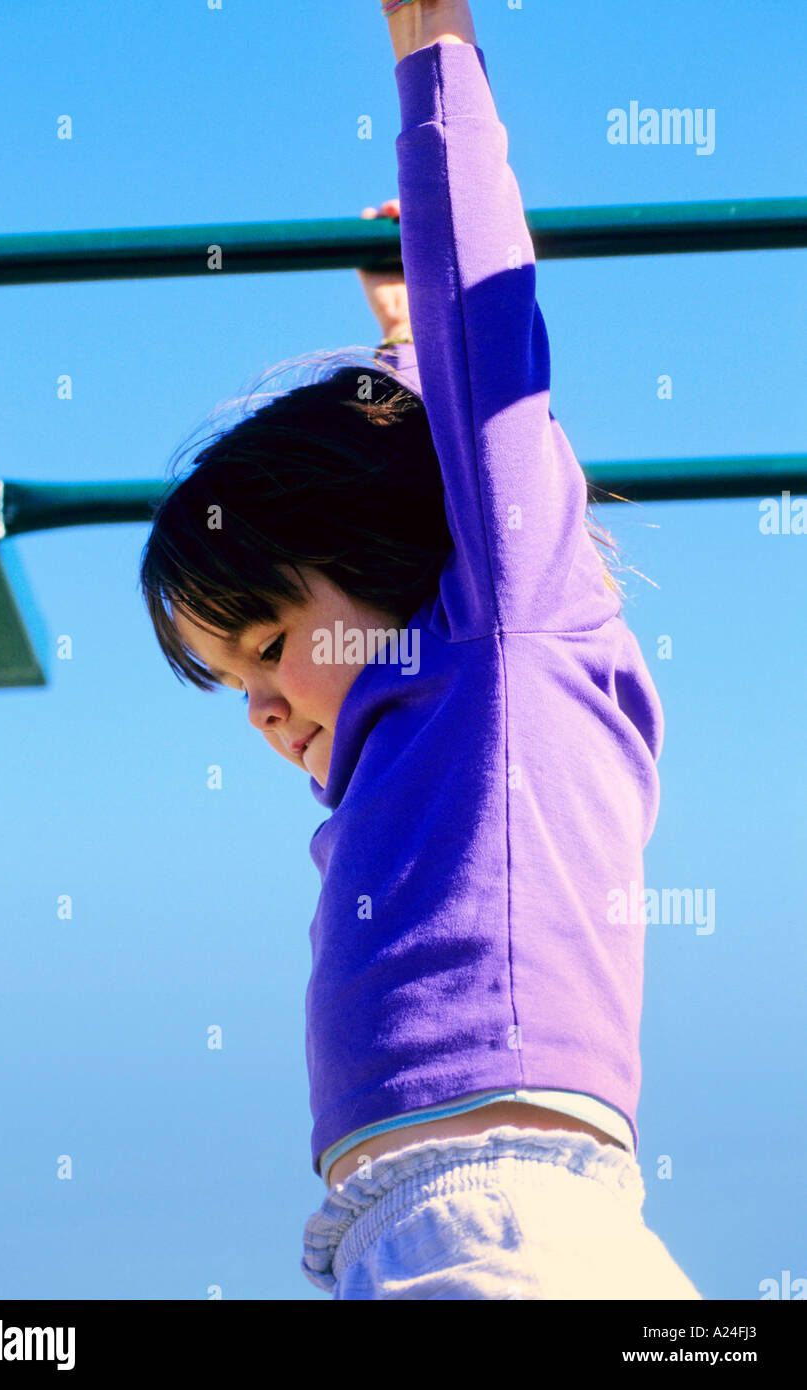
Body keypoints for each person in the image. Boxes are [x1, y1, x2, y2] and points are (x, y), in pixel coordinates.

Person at [139, 0, 702, 1299]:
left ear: (395, 556)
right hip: (426, 1224)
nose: (264, 711)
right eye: (237, 685)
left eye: (269, 645)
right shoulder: (420, 726)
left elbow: (489, 370)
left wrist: (428, 46)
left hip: (495, 1220)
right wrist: (397, 341)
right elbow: (429, 461)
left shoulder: (496, 640)